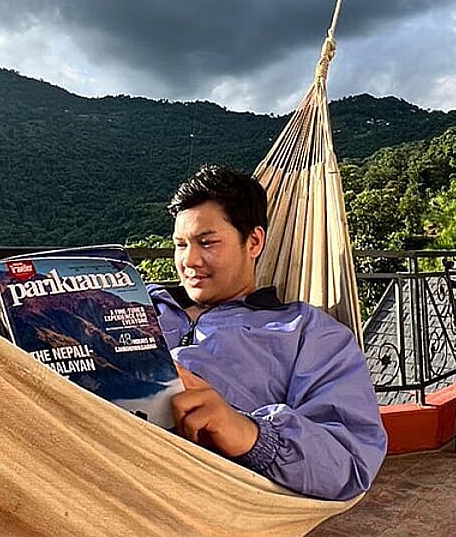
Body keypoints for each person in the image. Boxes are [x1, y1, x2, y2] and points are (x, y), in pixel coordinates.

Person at [149, 165, 387, 501]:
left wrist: (249, 433)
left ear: (254, 241)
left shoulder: (307, 335)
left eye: (206, 242)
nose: (189, 260)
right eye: (180, 245)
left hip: (199, 499)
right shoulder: (138, 306)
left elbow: (350, 463)